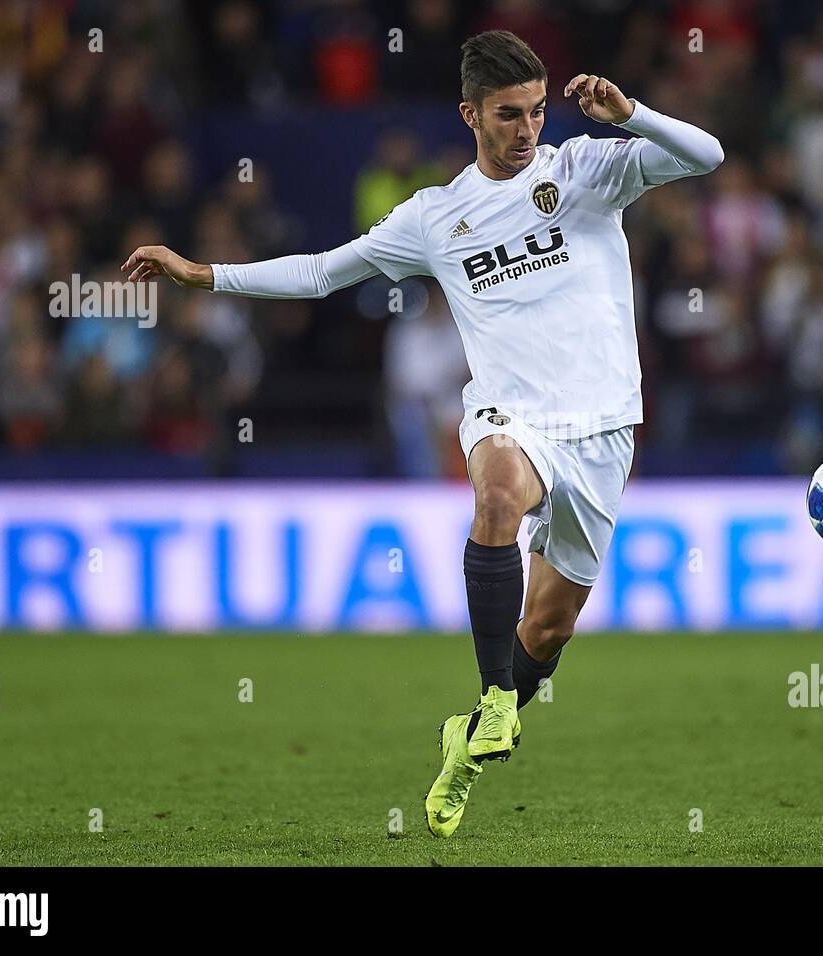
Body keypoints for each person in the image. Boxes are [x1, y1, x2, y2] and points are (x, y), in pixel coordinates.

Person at [121, 29, 723, 837]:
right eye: (508, 115)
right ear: (470, 114)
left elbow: (708, 155)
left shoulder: (585, 170)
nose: (528, 130)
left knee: (548, 629)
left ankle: (468, 742)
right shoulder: (435, 218)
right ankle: (498, 697)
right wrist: (203, 274)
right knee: (498, 497)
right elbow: (323, 271)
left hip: (604, 427)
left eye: (537, 112)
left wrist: (633, 113)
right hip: (509, 414)